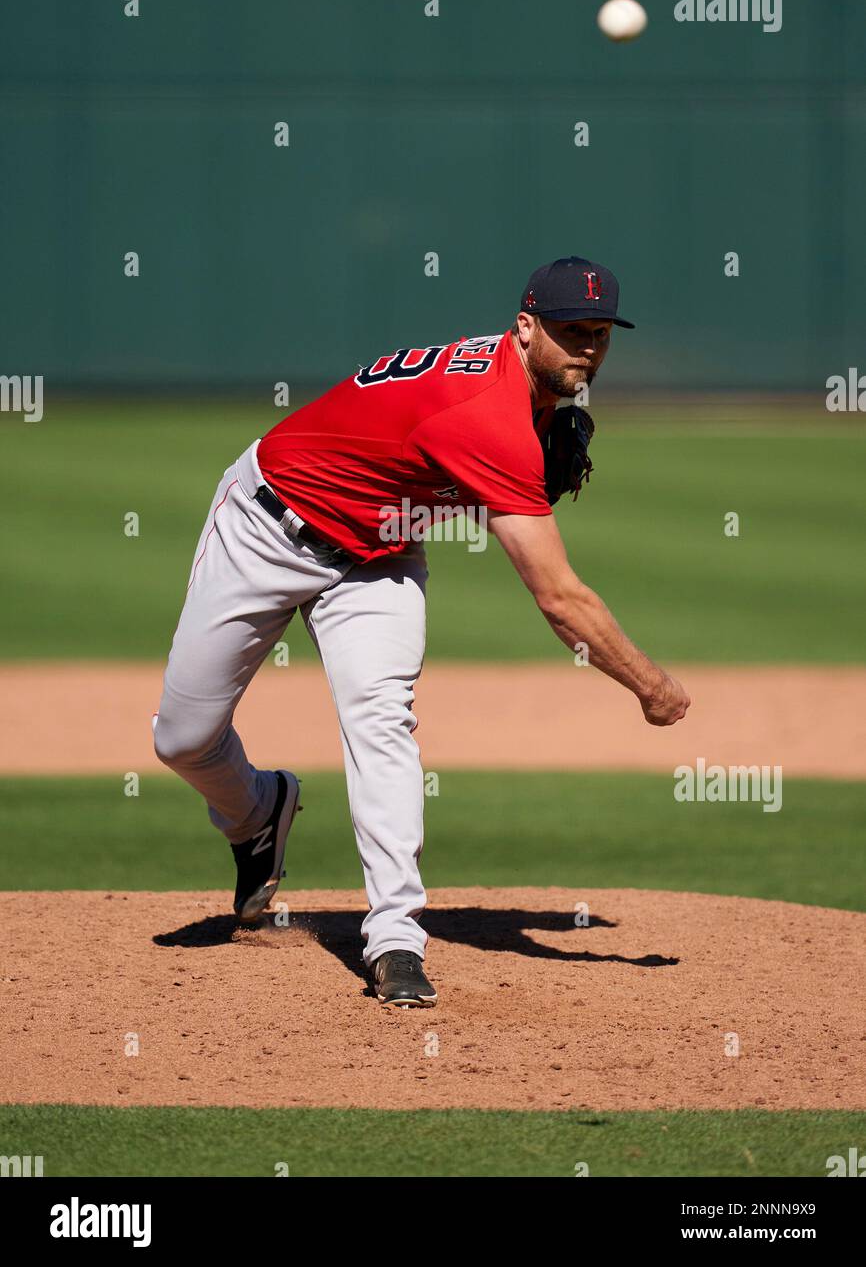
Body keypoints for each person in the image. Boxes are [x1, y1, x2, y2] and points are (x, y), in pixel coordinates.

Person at [154, 256, 690, 1009]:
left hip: (379, 556)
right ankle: (256, 810)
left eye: (601, 333)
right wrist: (650, 686)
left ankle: (396, 935)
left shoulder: (524, 388)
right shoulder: (486, 416)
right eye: (572, 331)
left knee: (381, 721)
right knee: (182, 738)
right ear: (526, 327)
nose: (588, 349)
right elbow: (560, 597)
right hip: (266, 524)